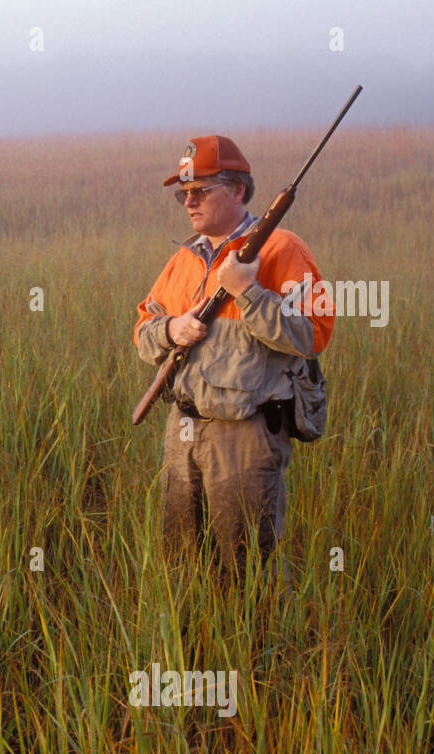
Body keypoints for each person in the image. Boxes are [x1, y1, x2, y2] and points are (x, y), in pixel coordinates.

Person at [133, 135, 334, 581]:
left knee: (245, 574)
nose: (189, 202)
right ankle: (192, 650)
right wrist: (171, 329)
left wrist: (249, 292)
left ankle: (251, 652)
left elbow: (313, 334)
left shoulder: (283, 250)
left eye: (201, 190)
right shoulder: (185, 260)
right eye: (184, 193)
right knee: (180, 565)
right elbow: (144, 333)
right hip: (182, 432)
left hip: (246, 437)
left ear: (239, 190)